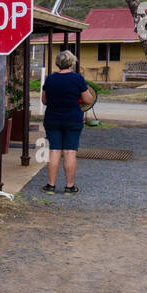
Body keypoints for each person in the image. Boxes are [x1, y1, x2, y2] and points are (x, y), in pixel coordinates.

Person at [40, 49, 94, 195]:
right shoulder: (77, 79)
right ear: (72, 62)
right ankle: (69, 187)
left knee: (54, 150)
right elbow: (88, 99)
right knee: (70, 152)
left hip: (52, 118)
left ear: (58, 63)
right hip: (72, 119)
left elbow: (44, 100)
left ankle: (50, 186)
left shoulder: (50, 79)